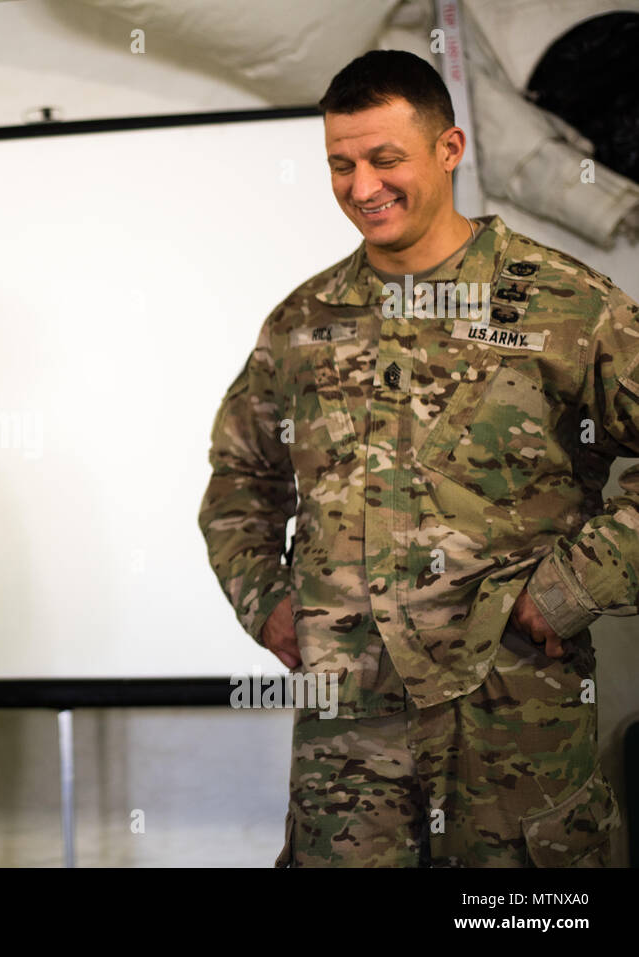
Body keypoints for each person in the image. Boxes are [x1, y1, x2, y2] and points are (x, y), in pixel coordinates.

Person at [199, 51, 635, 867]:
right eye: (341, 163)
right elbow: (238, 479)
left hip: (514, 740)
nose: (362, 186)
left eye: (385, 158)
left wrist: (577, 584)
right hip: (349, 766)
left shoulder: (565, 303)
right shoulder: (302, 322)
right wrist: (266, 601)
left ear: (449, 148)